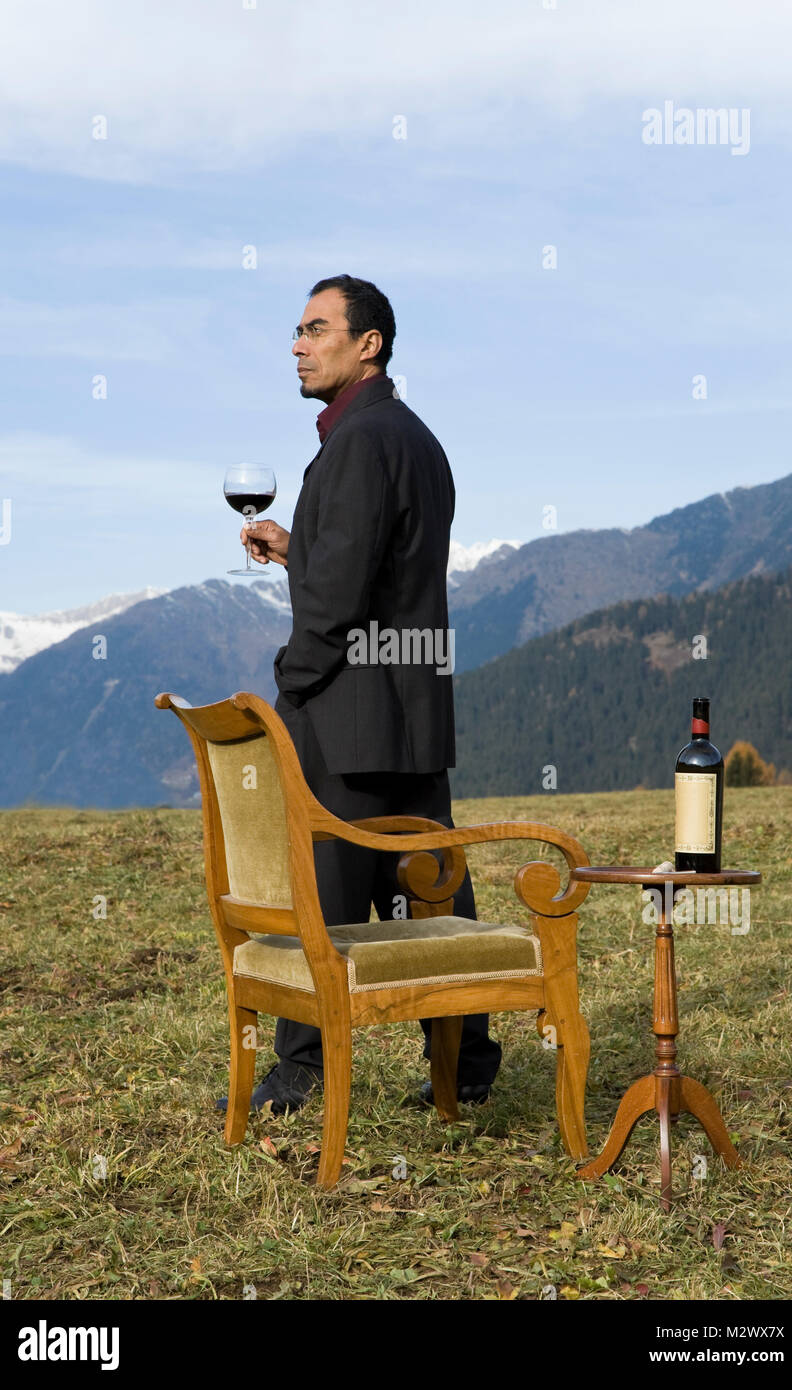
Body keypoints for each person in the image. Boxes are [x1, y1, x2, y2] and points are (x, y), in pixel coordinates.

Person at [226, 274, 501, 1114]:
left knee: (324, 897)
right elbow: (384, 570)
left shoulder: (354, 444)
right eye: (298, 332)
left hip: (347, 714)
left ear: (367, 343)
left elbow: (339, 603)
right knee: (435, 893)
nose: (298, 345)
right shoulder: (413, 438)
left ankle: (302, 1072)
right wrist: (296, 545)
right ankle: (470, 1065)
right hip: (412, 712)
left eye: (315, 329)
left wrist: (290, 683)